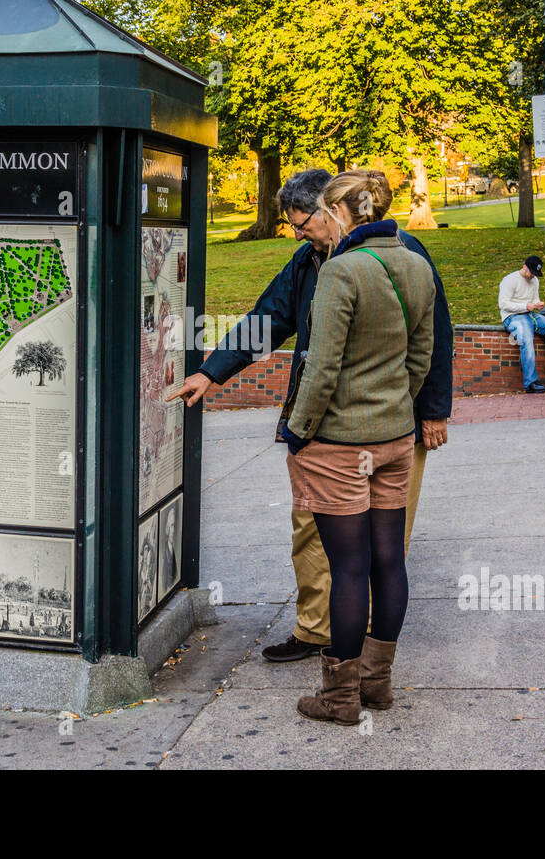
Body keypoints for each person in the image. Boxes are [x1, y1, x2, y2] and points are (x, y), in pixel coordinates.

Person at [170, 168, 454, 664]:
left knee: (384, 539)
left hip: (380, 428)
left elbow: (433, 339)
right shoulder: (310, 261)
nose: (298, 233)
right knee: (311, 529)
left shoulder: (402, 256)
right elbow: (269, 318)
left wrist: (429, 410)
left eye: (303, 223)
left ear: (330, 210)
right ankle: (318, 629)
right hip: (335, 428)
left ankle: (361, 645)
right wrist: (212, 372)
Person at [281, 169, 435, 725]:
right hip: (394, 439)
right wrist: (395, 407)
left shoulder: (341, 272)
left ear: (340, 214)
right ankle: (378, 686)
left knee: (347, 568)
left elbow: (320, 368)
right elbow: (422, 356)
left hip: (339, 444)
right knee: (388, 561)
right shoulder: (417, 264)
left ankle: (340, 697)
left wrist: (299, 432)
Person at [498, 254, 545, 393]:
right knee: (526, 337)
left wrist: (538, 304)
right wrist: (526, 306)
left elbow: (534, 300)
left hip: (530, 314)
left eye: (535, 273)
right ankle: (530, 382)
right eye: (531, 272)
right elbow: (503, 304)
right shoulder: (509, 280)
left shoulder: (535, 280)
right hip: (512, 317)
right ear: (524, 266)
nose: (532, 276)